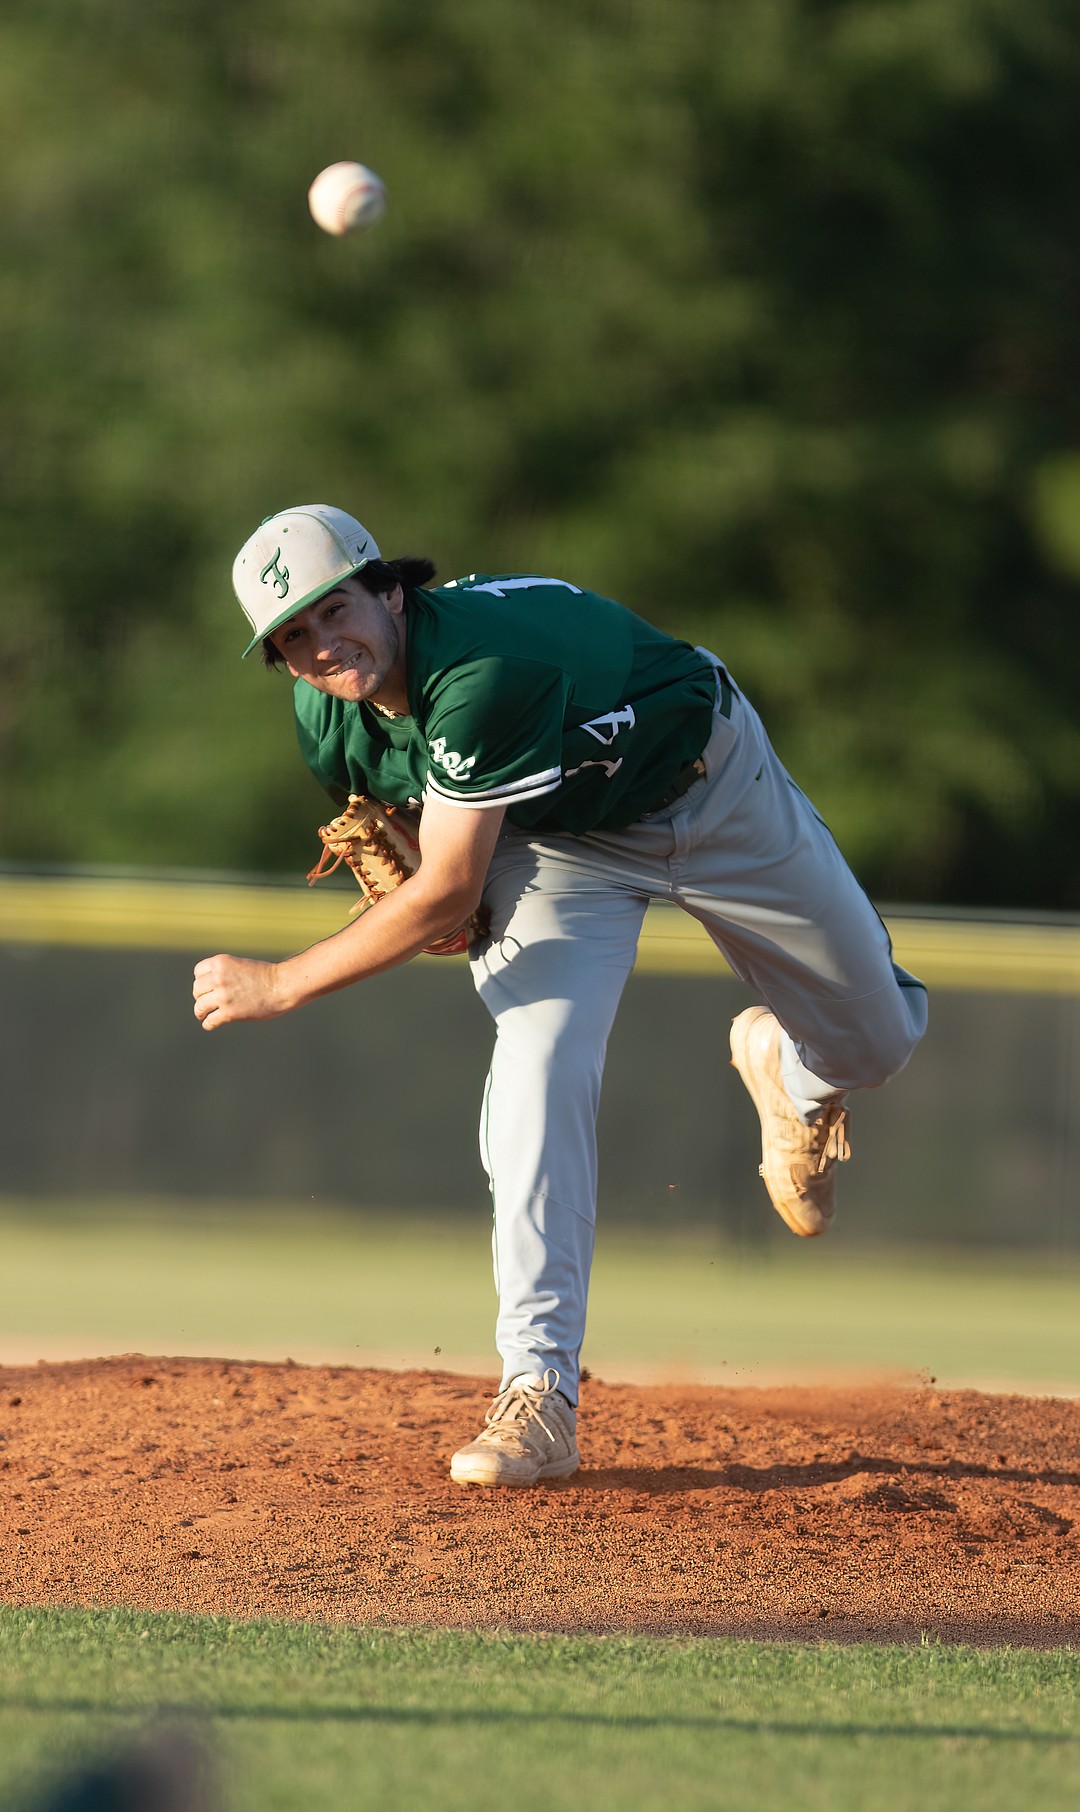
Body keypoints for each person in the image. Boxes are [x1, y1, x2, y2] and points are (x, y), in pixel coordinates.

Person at [193, 504, 927, 1488]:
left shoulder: (485, 670)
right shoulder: (329, 716)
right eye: (294, 638)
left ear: (391, 591)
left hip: (712, 786)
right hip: (560, 848)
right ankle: (538, 1391)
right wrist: (425, 861)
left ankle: (790, 1070)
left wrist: (281, 981)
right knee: (539, 1067)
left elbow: (447, 889)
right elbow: (409, 834)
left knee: (876, 1043)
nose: (324, 644)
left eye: (336, 611)